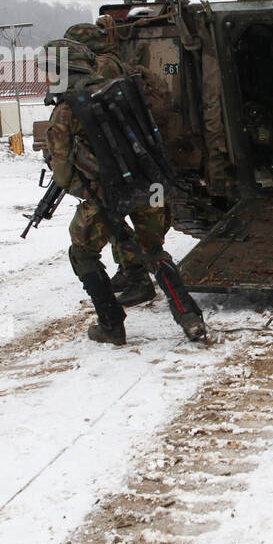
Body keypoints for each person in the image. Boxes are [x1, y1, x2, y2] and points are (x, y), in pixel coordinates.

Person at [43, 26, 205, 345]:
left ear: (63, 71)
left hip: (107, 196)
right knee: (154, 252)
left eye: (49, 71)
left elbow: (62, 175)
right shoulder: (121, 92)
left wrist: (91, 194)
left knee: (82, 253)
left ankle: (111, 324)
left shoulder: (65, 112)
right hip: (149, 183)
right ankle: (190, 318)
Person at [66, 20, 162, 307]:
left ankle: (138, 277)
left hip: (117, 153)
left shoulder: (102, 65)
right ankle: (132, 271)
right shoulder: (114, 60)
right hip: (127, 149)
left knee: (118, 214)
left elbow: (97, 104)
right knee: (124, 215)